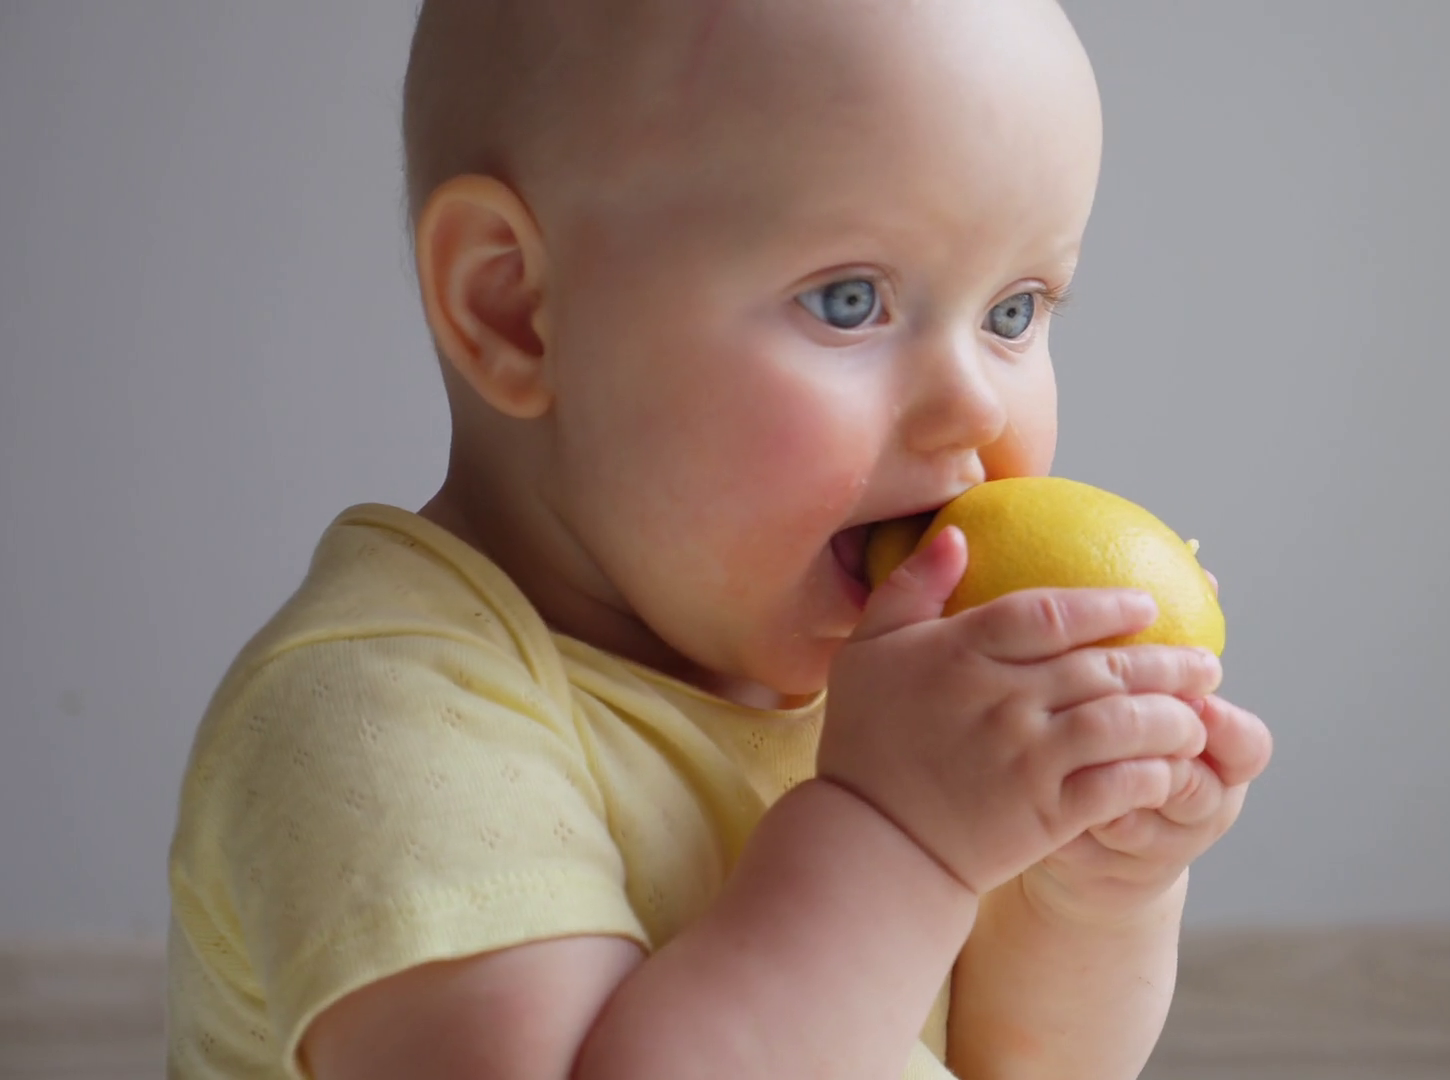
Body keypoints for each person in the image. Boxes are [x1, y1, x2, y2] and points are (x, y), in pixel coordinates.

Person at [165, 1, 1272, 1076]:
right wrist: (894, 839)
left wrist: (1091, 889)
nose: (975, 409)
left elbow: (1003, 1065)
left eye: (1016, 311)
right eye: (849, 299)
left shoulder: (886, 690)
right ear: (514, 308)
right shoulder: (384, 722)